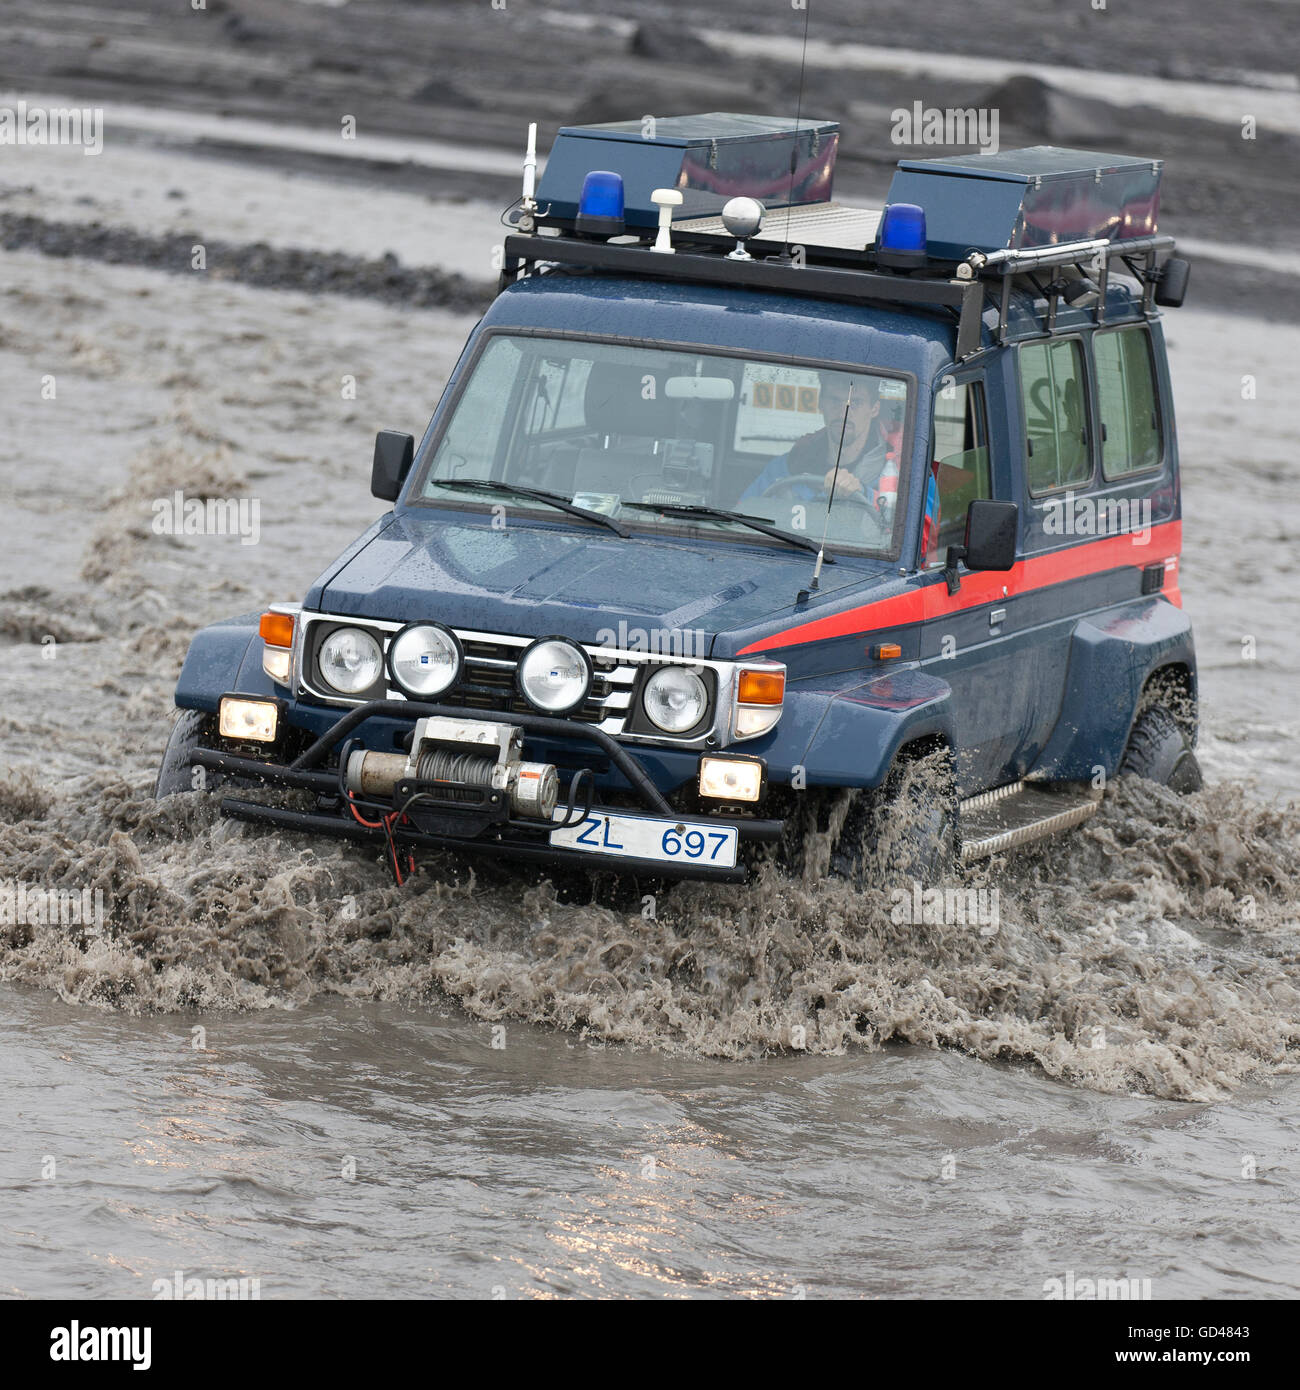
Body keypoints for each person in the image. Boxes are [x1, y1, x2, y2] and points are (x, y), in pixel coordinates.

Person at [741, 372, 938, 551]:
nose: (844, 411)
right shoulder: (790, 465)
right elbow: (739, 520)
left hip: (867, 573)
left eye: (857, 402)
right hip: (787, 561)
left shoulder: (907, 470)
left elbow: (924, 544)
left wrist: (865, 496)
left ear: (874, 409)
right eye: (834, 400)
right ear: (821, 404)